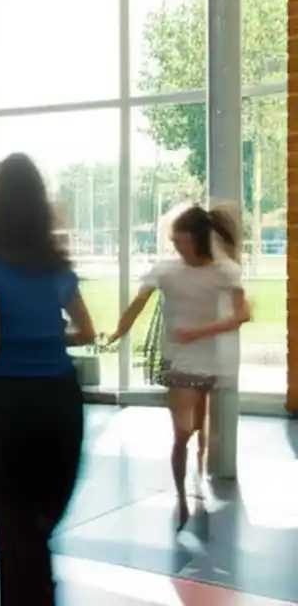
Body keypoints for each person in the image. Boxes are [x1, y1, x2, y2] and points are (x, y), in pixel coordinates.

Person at [0, 153, 96, 606]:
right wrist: (47, 334)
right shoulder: (56, 266)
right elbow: (87, 331)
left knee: (16, 533)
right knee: (37, 528)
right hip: (60, 405)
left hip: (11, 406)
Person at [107, 204, 249, 526]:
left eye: (182, 242)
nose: (177, 249)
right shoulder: (166, 270)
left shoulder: (224, 271)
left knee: (199, 426)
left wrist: (200, 331)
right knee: (182, 432)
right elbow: (138, 304)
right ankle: (181, 494)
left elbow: (243, 315)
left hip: (210, 361)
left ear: (199, 240)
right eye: (175, 243)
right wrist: (119, 331)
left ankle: (198, 473)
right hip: (180, 362)